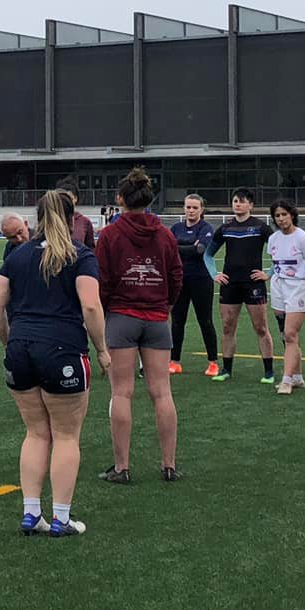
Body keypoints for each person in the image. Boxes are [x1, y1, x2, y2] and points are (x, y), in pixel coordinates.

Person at [0, 189, 107, 536]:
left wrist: (9, 342)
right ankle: (60, 517)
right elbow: (90, 306)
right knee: (67, 436)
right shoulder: (80, 255)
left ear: (37, 217)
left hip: (21, 348)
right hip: (63, 349)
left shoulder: (18, 254)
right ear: (73, 217)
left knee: (35, 433)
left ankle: (31, 513)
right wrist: (101, 348)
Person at [94, 167, 185, 485]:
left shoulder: (109, 235)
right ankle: (169, 465)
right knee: (162, 392)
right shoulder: (164, 234)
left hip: (122, 316)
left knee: (121, 392)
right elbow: (176, 275)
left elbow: (102, 279)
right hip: (157, 318)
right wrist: (165, 304)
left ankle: (122, 467)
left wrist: (105, 310)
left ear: (121, 198)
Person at [208, 189, 276, 384]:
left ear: (251, 205)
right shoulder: (225, 228)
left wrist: (269, 273)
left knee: (261, 327)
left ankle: (269, 372)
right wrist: (214, 273)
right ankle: (226, 369)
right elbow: (208, 254)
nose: (237, 204)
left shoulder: (260, 227)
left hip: (253, 284)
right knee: (228, 327)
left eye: (242, 201)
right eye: (235, 201)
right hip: (230, 284)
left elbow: (279, 250)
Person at [266, 200, 305, 395]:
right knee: (285, 333)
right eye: (277, 216)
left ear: (292, 215)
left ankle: (287, 380)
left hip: (298, 286)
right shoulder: (273, 239)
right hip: (279, 286)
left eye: (284, 214)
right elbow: (276, 265)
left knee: (290, 333)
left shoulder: (302, 238)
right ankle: (297, 377)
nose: (281, 219)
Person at [169, 194, 219, 378]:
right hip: (179, 280)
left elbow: (200, 250)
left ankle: (213, 362)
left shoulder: (206, 228)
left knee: (205, 321)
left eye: (194, 208)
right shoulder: (175, 227)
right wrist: (189, 246)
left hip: (201, 280)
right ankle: (175, 361)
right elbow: (169, 249)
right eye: (188, 207)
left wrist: (179, 246)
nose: (191, 211)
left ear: (201, 210)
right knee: (177, 321)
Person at [58, 181, 99, 250]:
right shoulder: (53, 220)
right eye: (63, 199)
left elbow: (91, 249)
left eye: (70, 199)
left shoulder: (85, 222)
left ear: (76, 198)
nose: (67, 202)